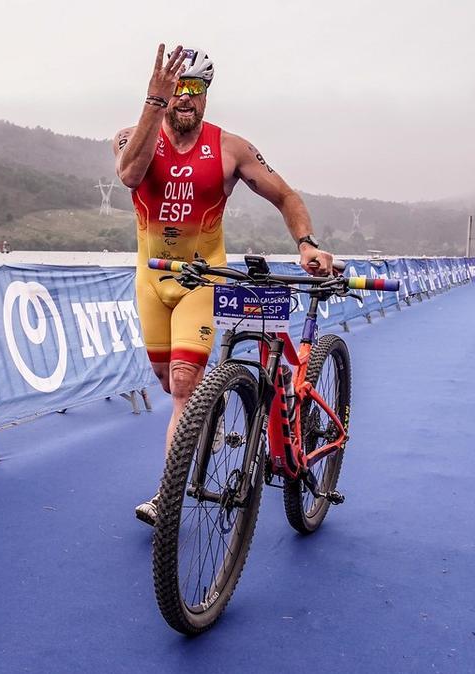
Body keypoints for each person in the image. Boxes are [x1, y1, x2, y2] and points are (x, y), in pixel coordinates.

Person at [113, 44, 335, 526]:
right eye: (177, 88)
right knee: (165, 381)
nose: (185, 98)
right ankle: (200, 425)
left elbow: (285, 194)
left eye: (196, 88)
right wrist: (154, 101)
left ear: (207, 95)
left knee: (183, 383)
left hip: (203, 277)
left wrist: (307, 243)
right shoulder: (133, 137)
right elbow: (130, 174)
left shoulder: (231, 149)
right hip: (152, 281)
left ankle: (166, 499)